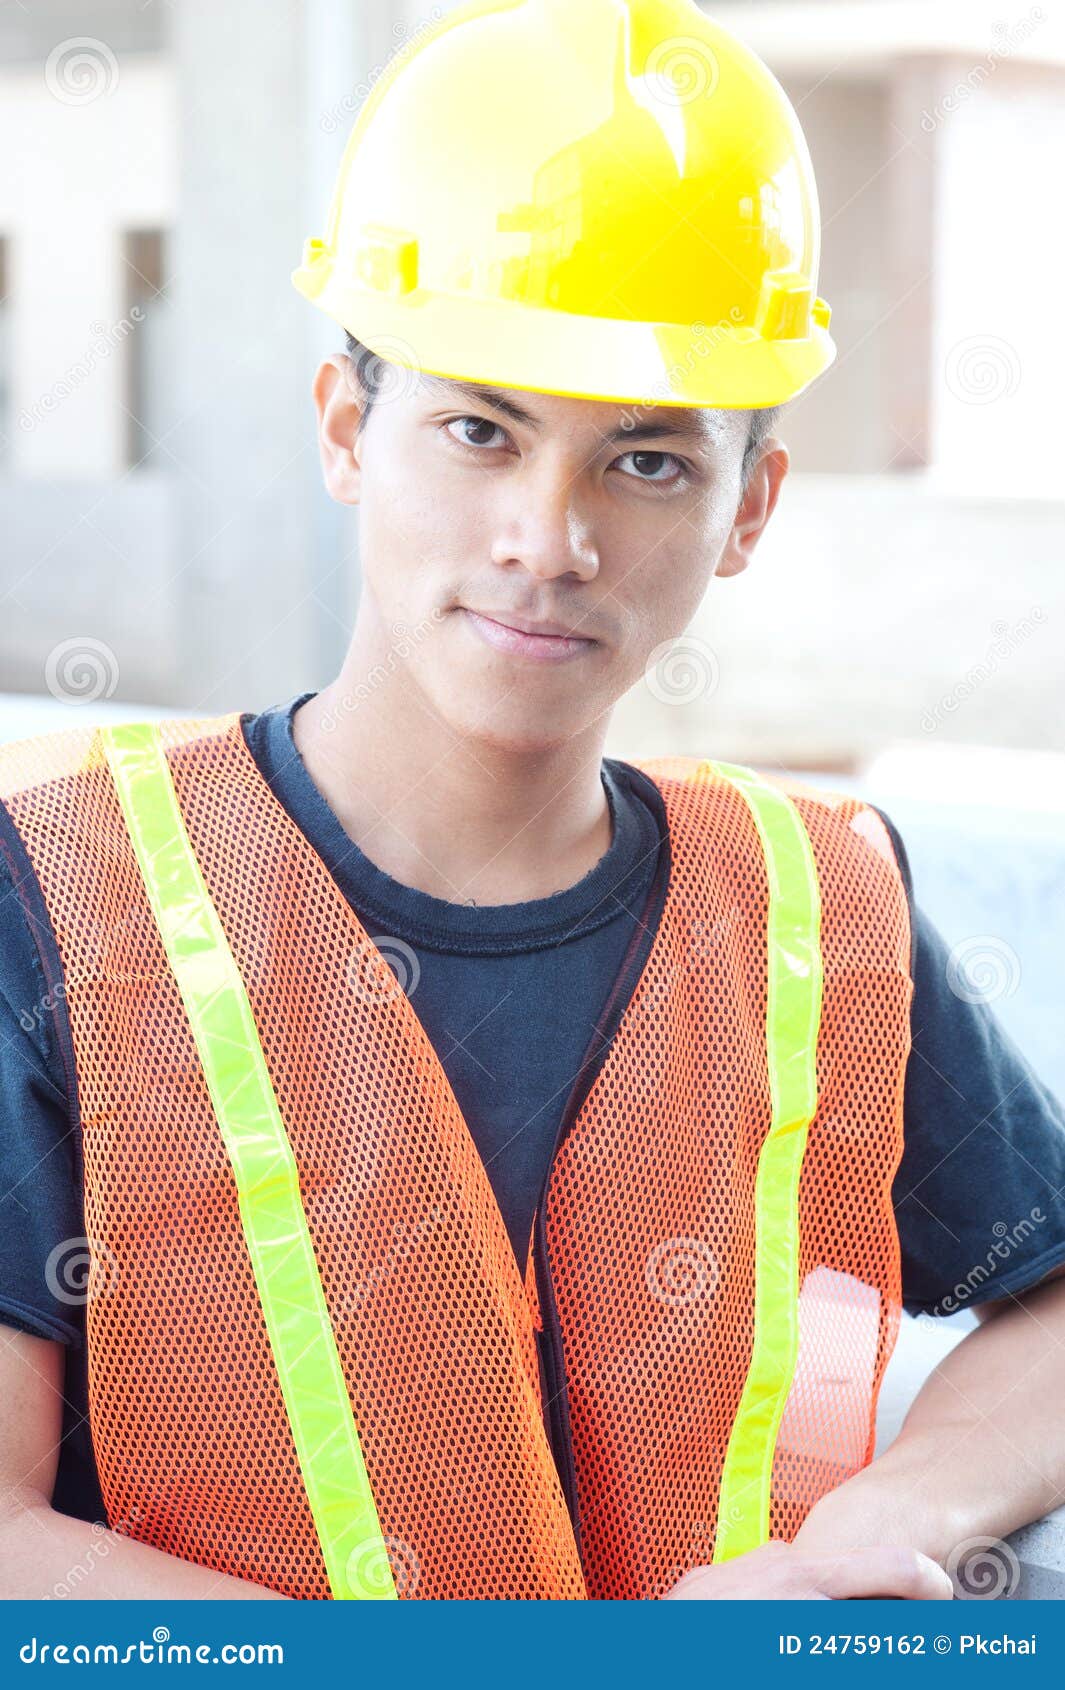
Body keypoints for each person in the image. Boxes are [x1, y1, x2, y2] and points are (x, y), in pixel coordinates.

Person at [3, 0, 1065, 1603]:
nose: (545, 540)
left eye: (646, 463)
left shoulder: (812, 914)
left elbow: (1045, 1306)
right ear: (348, 429)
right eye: (478, 430)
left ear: (748, 506)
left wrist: (865, 1537)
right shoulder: (65, 895)